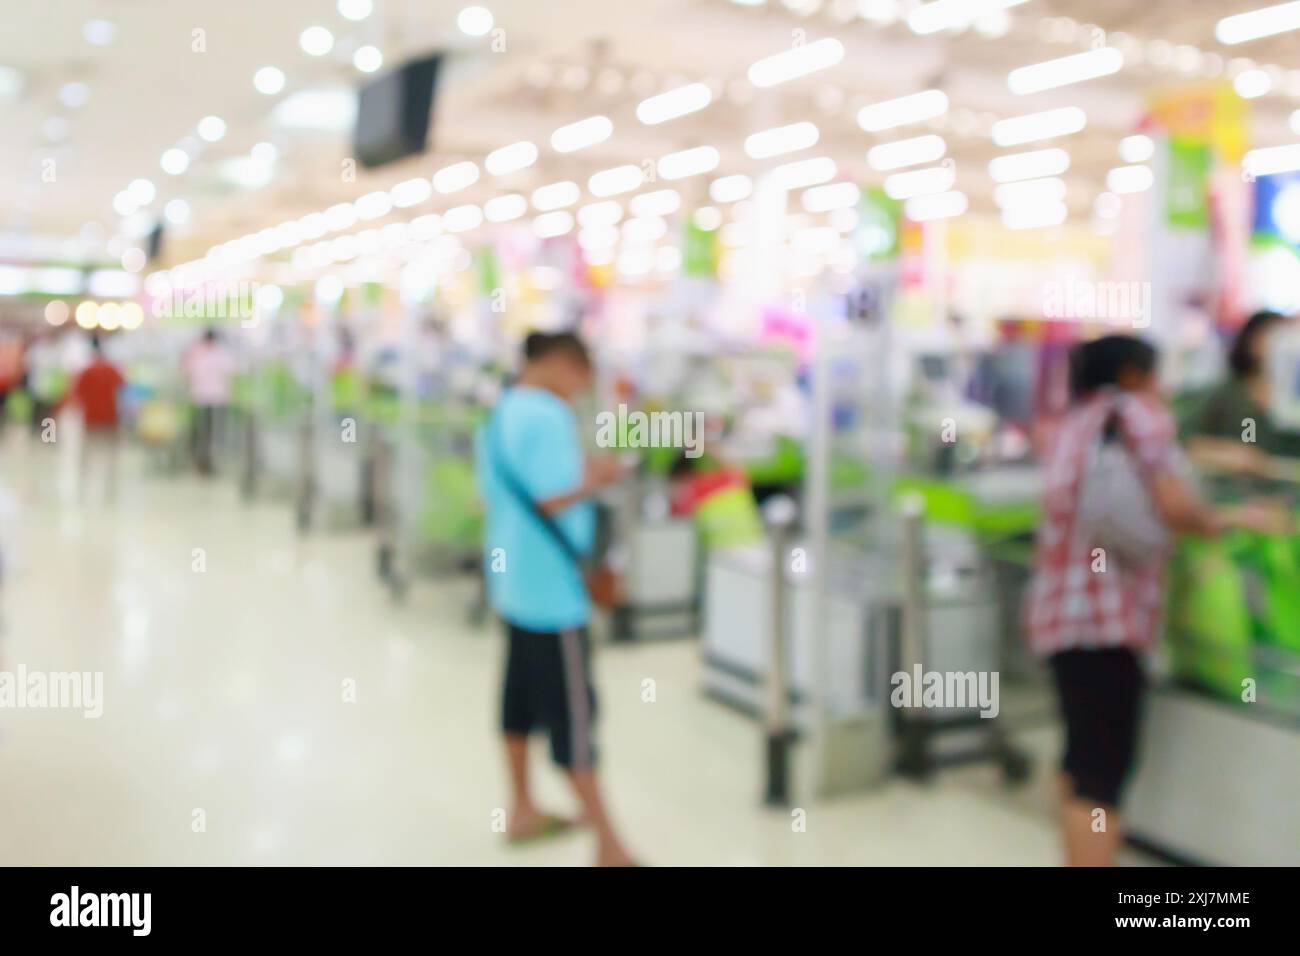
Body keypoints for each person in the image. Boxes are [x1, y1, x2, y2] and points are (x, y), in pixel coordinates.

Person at [1025, 335, 1289, 867]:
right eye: (1153, 373)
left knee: (1080, 759)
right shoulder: (1133, 414)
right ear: (1130, 373)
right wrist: (1233, 518)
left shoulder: (1075, 424)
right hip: (1107, 620)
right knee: (1102, 775)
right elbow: (1173, 504)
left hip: (1059, 617)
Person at [476, 331, 636, 867]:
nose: (581, 389)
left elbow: (495, 493)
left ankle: (522, 809)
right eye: (581, 377)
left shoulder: (502, 410)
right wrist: (601, 476)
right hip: (552, 593)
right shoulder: (547, 415)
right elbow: (552, 497)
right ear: (564, 365)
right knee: (574, 718)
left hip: (513, 582)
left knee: (518, 702)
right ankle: (610, 845)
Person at [1187, 310, 1300, 475]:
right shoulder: (1226, 392)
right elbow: (1185, 440)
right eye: (1273, 336)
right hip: (1234, 487)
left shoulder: (1290, 399)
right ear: (1251, 341)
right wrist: (1231, 454)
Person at [65, 335, 126, 501]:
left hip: (90, 419)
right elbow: (123, 390)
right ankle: (110, 486)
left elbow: (76, 397)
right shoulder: (112, 370)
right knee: (110, 454)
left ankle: (82, 484)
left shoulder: (85, 372)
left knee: (86, 454)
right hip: (109, 417)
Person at [182, 327, 236, 476]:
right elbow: (232, 372)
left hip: (200, 399)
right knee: (212, 434)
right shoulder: (222, 354)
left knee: (202, 433)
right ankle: (207, 462)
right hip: (216, 399)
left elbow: (186, 372)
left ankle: (202, 462)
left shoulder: (196, 353)